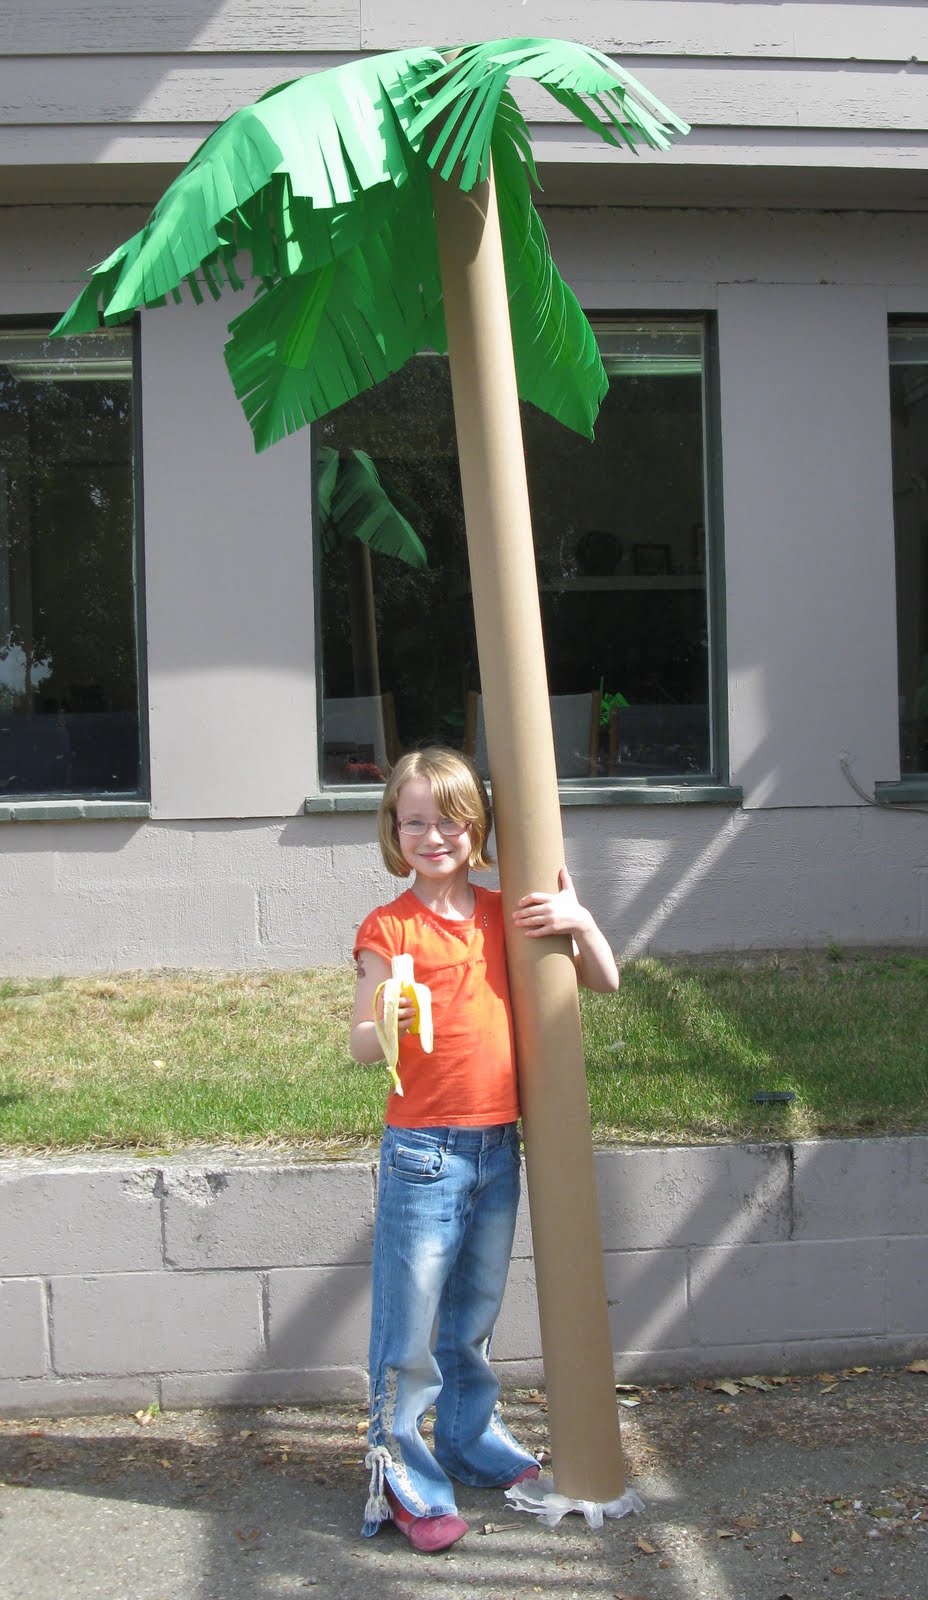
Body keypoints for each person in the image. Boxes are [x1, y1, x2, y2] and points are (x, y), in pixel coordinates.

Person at [351, 746, 619, 1553]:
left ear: (478, 826)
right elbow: (362, 1043)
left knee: (468, 1321)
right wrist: (386, 1020)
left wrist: (581, 922)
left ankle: (468, 1439)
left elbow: (602, 980)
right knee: (408, 1333)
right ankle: (403, 1478)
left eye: (450, 819)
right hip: (423, 1155)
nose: (434, 835)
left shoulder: (508, 913)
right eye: (415, 821)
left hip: (498, 1148)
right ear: (395, 831)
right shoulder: (388, 927)